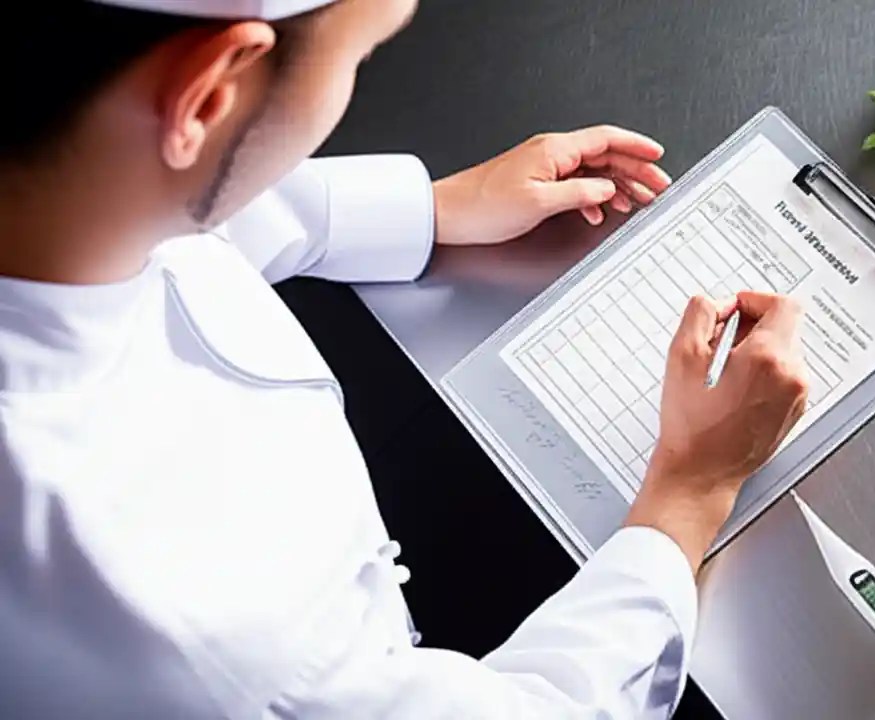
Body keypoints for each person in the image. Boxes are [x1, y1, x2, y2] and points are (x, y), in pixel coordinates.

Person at [0, 0, 809, 717]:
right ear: (210, 93)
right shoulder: (218, 631)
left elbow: (153, 194)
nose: (352, 74)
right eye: (358, 55)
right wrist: (691, 488)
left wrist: (433, 208)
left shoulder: (51, 204)